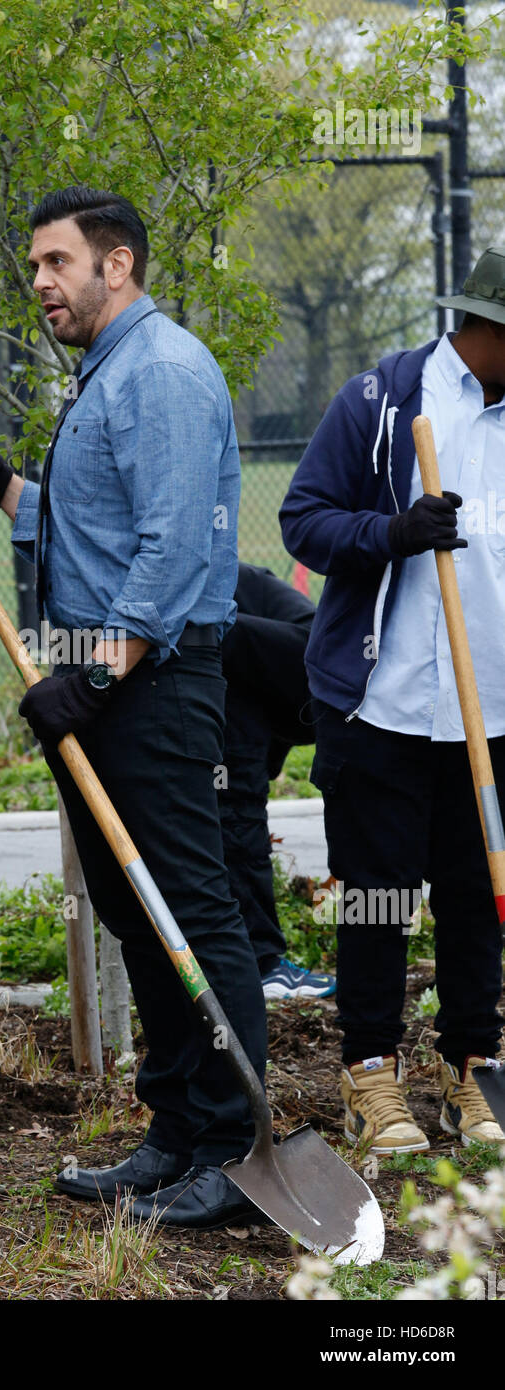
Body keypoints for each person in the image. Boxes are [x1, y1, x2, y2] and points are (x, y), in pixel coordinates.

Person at [0, 185, 268, 1229]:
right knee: (136, 914)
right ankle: (173, 1133)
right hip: (106, 684)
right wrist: (5, 491)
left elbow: (170, 545)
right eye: (34, 264)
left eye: (54, 262)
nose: (37, 281)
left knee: (190, 911)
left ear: (113, 264)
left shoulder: (162, 370)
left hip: (152, 686)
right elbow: (105, 523)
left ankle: (234, 1145)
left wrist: (96, 672)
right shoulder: (108, 373)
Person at [279, 246, 505, 1153]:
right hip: (385, 705)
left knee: (478, 896)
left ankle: (470, 1070)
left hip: (493, 711)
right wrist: (394, 532)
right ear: (488, 328)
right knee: (378, 898)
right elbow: (305, 518)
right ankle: (369, 1074)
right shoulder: (383, 401)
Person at [222, 562, 335, 1000]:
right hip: (266, 679)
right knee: (231, 814)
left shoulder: (247, 608)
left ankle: (261, 963)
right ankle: (257, 963)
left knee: (235, 815)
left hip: (295, 672)